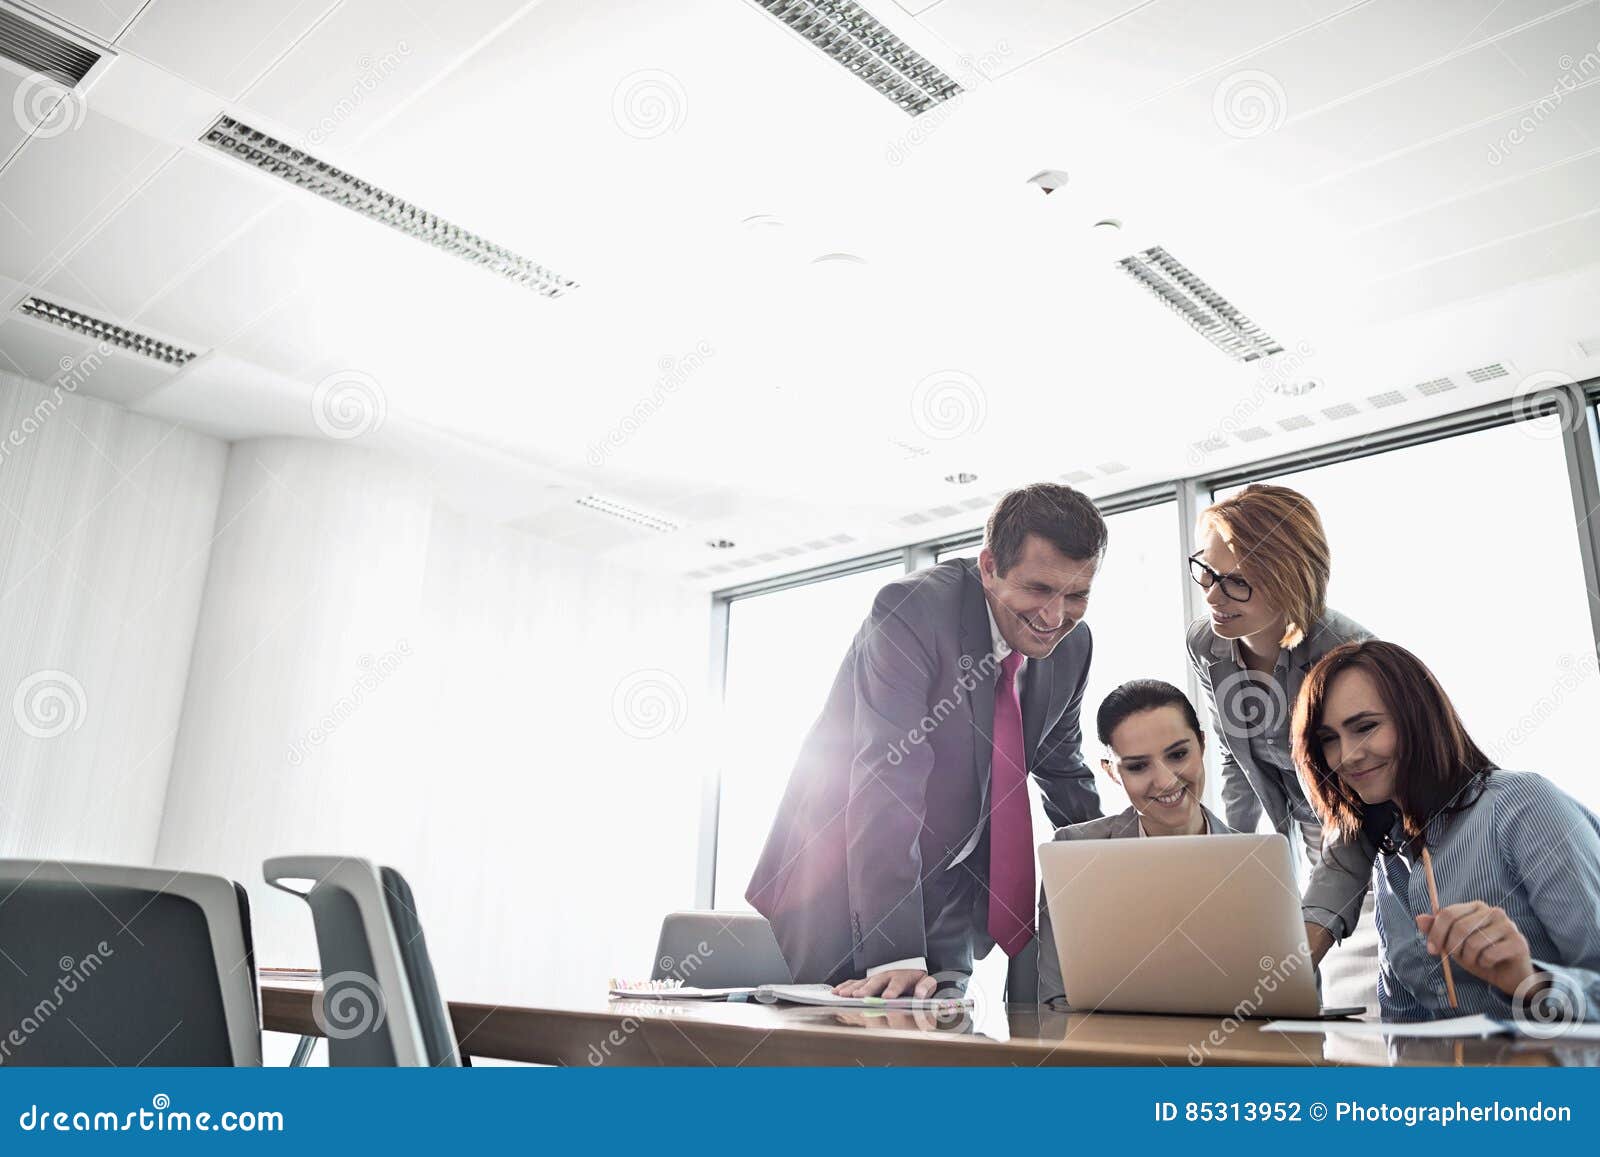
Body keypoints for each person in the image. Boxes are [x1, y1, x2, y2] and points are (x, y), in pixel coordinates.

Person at [747, 483, 1107, 997]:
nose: (1055, 618)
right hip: (845, 879)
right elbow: (886, 778)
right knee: (848, 1055)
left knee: (940, 1051)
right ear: (988, 567)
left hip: (951, 888)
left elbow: (1064, 770)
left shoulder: (1073, 647)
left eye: (1076, 595)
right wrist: (894, 952)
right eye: (1038, 590)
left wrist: (1116, 881)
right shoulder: (912, 611)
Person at [1295, 639, 1600, 1021]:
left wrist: (1530, 982)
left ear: (1418, 719)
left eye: (1366, 727)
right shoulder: (1388, 865)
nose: (1348, 756)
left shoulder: (1521, 805)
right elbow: (1402, 1028)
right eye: (1329, 740)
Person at [1185, 483, 1373, 964]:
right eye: (1206, 572)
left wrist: (1310, 935)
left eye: (1236, 581)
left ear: (1290, 578)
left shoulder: (1347, 655)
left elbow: (1365, 810)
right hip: (1307, 830)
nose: (1212, 595)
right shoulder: (1208, 644)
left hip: (1374, 836)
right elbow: (1234, 755)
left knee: (1361, 968)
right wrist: (1229, 865)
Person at [1037, 679, 1235, 1005]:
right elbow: (1057, 1002)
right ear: (1112, 772)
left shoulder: (1260, 861)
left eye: (1178, 754)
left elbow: (1296, 996)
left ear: (1202, 744)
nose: (1166, 780)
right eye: (1138, 766)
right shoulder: (1074, 855)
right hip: (1113, 1052)